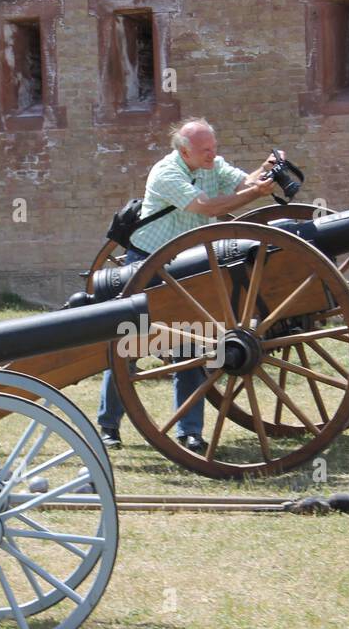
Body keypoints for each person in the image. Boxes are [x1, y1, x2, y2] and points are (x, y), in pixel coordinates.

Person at [96, 118, 283, 454]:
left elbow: (243, 181)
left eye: (214, 147)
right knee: (130, 344)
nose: (213, 155)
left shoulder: (213, 164)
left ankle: (189, 432)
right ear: (184, 151)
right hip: (148, 265)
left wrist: (264, 171)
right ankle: (109, 425)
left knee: (191, 346)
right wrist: (254, 193)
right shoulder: (166, 173)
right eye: (205, 150)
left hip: (189, 266)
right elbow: (208, 207)